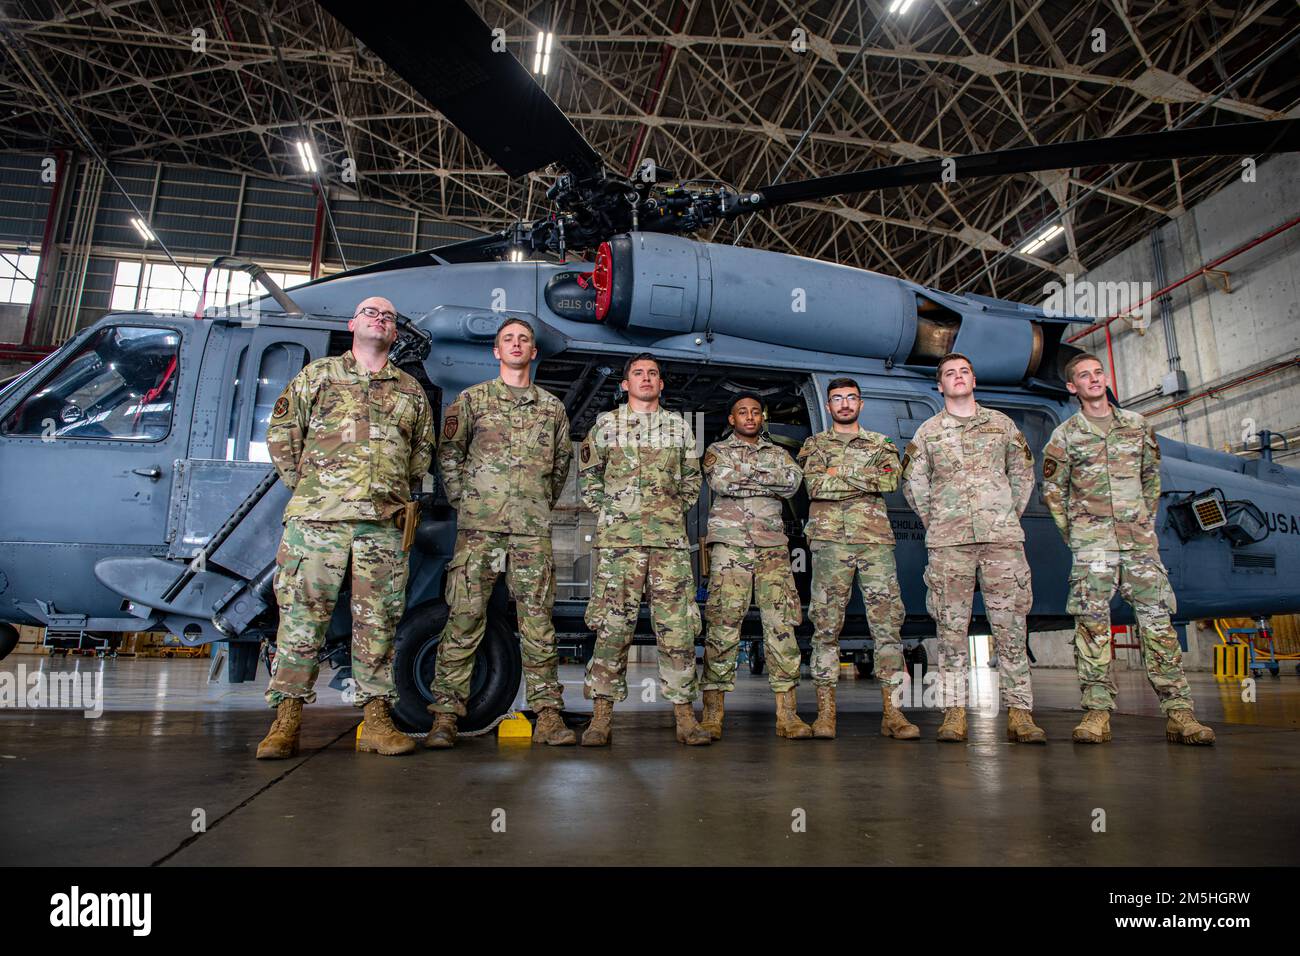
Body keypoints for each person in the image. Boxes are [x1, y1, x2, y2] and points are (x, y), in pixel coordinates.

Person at [257, 296, 435, 759]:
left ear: (395, 333)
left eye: (389, 317)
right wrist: (315, 489)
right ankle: (286, 719)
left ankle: (376, 718)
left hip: (382, 526)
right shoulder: (317, 377)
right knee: (301, 619)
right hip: (317, 521)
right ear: (353, 324)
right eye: (372, 313)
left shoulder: (410, 390)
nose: (380, 320)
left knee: (378, 622)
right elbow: (281, 437)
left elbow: (420, 456)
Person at [1042, 352, 1214, 745]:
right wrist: (1080, 536)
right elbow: (1054, 492)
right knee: (1092, 630)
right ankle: (1097, 713)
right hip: (1093, 549)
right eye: (1084, 376)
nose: (1094, 379)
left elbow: (1151, 481)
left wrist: (1140, 523)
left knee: (1159, 627)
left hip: (1139, 548)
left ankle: (1180, 713)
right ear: (1073, 387)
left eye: (1098, 373)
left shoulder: (1137, 427)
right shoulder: (1066, 436)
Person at [425, 318, 575, 748]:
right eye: (507, 339)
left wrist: (535, 504)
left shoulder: (551, 408)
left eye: (523, 340)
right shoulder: (471, 401)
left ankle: (548, 715)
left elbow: (560, 466)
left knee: (538, 624)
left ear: (533, 352)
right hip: (480, 531)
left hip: (531, 532)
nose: (515, 345)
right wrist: (465, 501)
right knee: (464, 619)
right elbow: (448, 456)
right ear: (496, 351)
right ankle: (446, 717)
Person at [902, 353, 1046, 743]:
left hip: (1002, 541)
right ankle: (954, 713)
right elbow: (915, 484)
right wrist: (939, 521)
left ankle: (1021, 714)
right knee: (950, 631)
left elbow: (1022, 473)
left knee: (1012, 629)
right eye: (949, 373)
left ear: (974, 379)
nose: (958, 377)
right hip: (950, 544)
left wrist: (1005, 516)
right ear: (940, 386)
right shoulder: (928, 433)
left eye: (964, 371)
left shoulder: (1001, 425)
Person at [577, 353, 710, 746]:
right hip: (620, 545)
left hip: (667, 544)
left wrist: (667, 512)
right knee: (612, 628)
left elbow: (691, 481)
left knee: (678, 630)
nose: (646, 378)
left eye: (653, 373)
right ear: (625, 384)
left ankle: (685, 718)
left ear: (661, 384)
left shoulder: (680, 428)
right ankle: (600, 718)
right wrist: (614, 513)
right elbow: (589, 479)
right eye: (638, 373)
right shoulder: (606, 426)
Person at [798, 378, 918, 740]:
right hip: (830, 544)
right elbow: (815, 486)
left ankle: (893, 713)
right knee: (825, 627)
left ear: (861, 405)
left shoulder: (881, 443)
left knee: (887, 627)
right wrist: (863, 477)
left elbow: (889, 481)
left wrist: (839, 473)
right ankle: (825, 713)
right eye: (837, 399)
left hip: (874, 543)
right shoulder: (814, 445)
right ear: (830, 405)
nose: (845, 404)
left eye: (851, 398)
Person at [700, 394, 811, 739]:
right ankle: (713, 714)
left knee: (781, 627)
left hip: (772, 548)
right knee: (722, 626)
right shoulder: (717, 451)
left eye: (754, 412)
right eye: (741, 412)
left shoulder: (780, 454)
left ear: (762, 417)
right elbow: (721, 481)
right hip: (730, 549)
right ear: (732, 419)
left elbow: (792, 483)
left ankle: (787, 715)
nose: (749, 417)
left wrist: (745, 475)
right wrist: (767, 478)